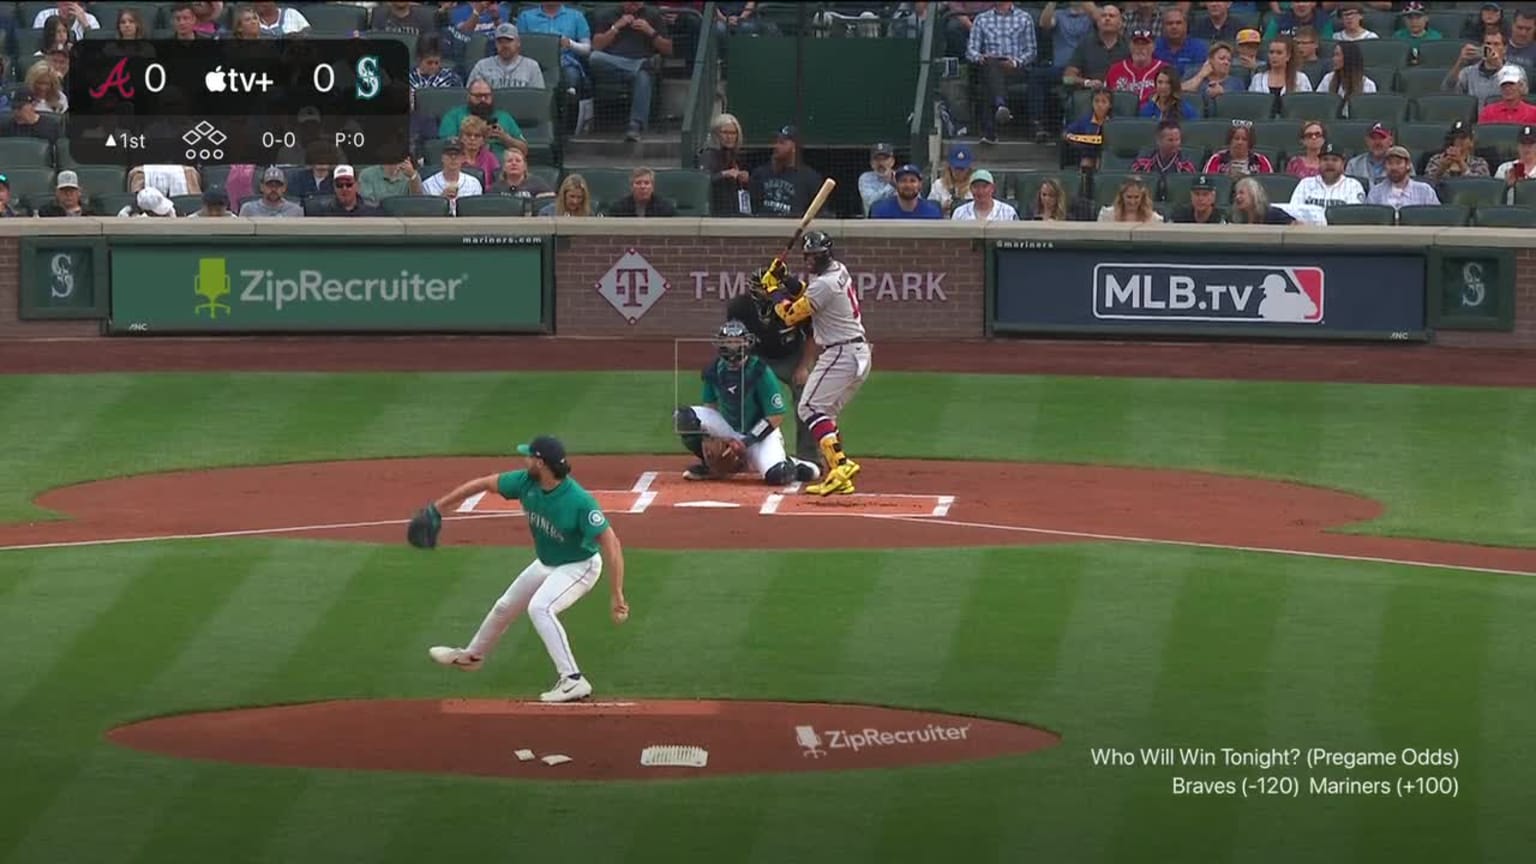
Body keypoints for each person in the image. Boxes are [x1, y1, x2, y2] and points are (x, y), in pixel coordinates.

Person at [416, 435, 629, 704]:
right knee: (505, 606)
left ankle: (572, 680)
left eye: (529, 456)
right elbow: (483, 483)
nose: (524, 459)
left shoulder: (579, 501)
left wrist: (617, 593)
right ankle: (472, 656)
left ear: (540, 463)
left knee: (540, 607)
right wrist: (438, 508)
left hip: (580, 566)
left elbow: (611, 542)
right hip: (547, 562)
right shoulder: (526, 481)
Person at [757, 232, 871, 495]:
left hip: (841, 352)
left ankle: (841, 465)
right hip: (855, 351)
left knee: (808, 407)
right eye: (808, 256)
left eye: (816, 256)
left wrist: (773, 289)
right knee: (824, 413)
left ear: (826, 255)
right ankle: (840, 473)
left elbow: (789, 315)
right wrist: (785, 279)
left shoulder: (826, 283)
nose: (811, 261)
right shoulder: (837, 271)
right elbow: (807, 294)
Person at [674, 319, 821, 484]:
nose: (732, 347)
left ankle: (794, 464)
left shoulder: (759, 370)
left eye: (736, 342)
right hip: (730, 428)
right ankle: (711, 466)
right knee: (684, 418)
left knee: (778, 476)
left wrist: (746, 441)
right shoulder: (714, 369)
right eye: (728, 343)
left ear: (746, 344)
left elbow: (776, 416)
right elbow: (710, 408)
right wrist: (714, 441)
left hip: (760, 434)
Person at [870, 164, 945, 219]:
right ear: (896, 184)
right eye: (903, 181)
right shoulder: (879, 209)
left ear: (920, 184)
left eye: (912, 181)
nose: (908, 185)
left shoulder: (933, 210)